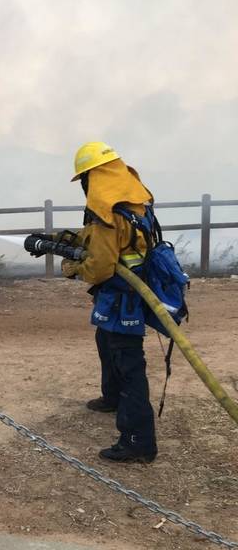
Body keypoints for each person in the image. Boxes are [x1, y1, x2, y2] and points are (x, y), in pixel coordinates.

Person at [54, 141, 158, 463]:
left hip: (121, 294)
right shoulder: (132, 196)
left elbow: (100, 266)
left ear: (92, 176)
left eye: (85, 177)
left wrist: (76, 268)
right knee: (106, 340)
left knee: (128, 361)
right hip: (127, 288)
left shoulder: (106, 208)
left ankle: (138, 441)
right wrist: (76, 240)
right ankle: (112, 397)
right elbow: (116, 239)